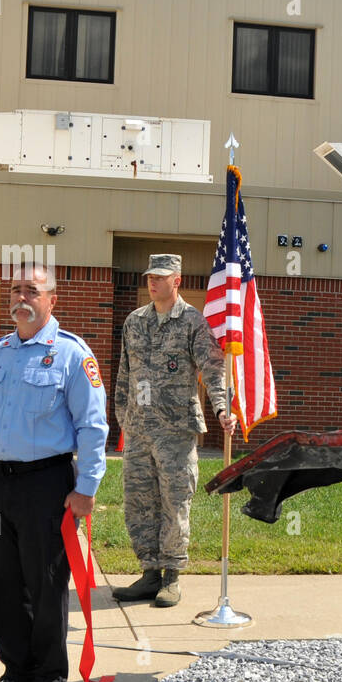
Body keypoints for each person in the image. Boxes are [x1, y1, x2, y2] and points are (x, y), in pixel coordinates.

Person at [0, 264, 109, 682]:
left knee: (46, 581)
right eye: (15, 289)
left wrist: (86, 488)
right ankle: (17, 670)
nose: (21, 297)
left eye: (32, 290)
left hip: (47, 484)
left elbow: (92, 426)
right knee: (1, 579)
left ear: (53, 300)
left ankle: (48, 674)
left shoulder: (72, 355)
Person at [111, 254, 234, 607]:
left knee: (174, 503)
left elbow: (213, 369)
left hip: (176, 432)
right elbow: (124, 374)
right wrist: (124, 417)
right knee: (138, 503)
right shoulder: (134, 322)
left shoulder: (194, 322)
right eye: (150, 276)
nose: (153, 282)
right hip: (138, 431)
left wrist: (222, 408)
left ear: (177, 280)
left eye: (161, 277)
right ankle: (149, 574)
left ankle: (172, 576)